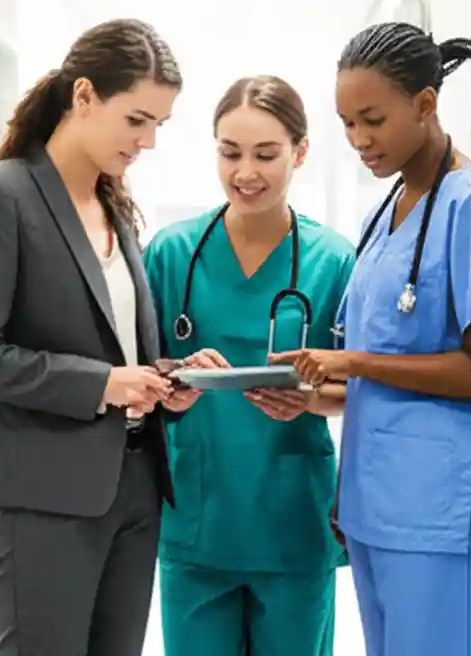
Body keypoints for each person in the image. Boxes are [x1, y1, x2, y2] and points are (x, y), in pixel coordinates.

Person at [0, 18, 202, 656]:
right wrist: (104, 385)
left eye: (158, 126)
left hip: (135, 488)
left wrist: (164, 376)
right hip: (44, 497)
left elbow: (109, 348)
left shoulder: (115, 206)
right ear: (83, 96)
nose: (147, 142)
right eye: (136, 120)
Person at [271, 22, 471, 656]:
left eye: (373, 120)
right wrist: (318, 393)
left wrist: (353, 360)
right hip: (374, 509)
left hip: (439, 515)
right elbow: (388, 377)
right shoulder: (386, 212)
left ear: (425, 104)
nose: (358, 139)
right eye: (347, 122)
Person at [142, 75, 355, 655]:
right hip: (196, 520)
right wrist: (174, 382)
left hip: (291, 522)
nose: (246, 172)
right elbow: (136, 375)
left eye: (266, 154)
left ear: (301, 152)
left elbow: (361, 387)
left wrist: (309, 400)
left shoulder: (334, 260)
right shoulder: (171, 253)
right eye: (229, 152)